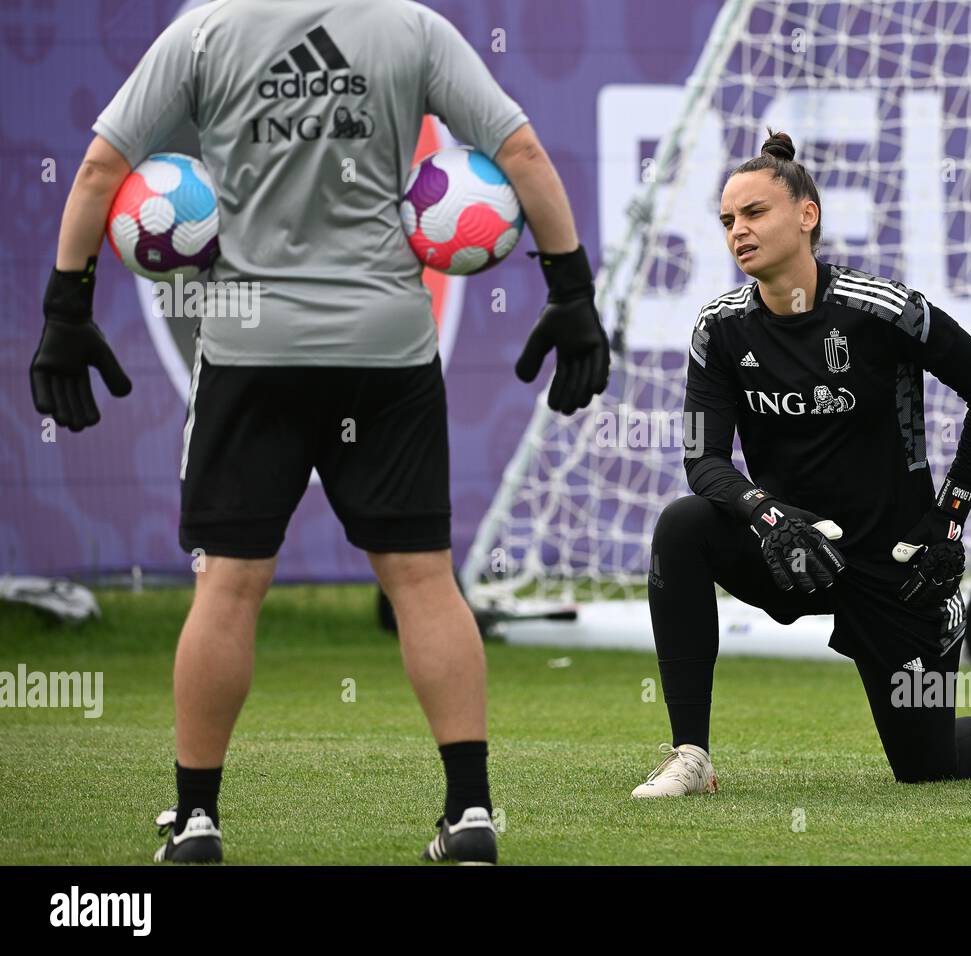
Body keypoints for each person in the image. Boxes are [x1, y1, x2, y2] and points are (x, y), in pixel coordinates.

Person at [29, 0, 609, 864]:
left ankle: (195, 823)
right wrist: (571, 292)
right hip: (386, 349)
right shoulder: (411, 28)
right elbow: (521, 152)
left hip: (250, 348)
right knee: (420, 579)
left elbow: (96, 171)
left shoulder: (205, 31)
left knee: (227, 585)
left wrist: (65, 308)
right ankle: (472, 813)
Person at [633, 130, 971, 797]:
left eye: (754, 213)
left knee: (925, 765)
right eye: (726, 220)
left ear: (807, 216)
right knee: (684, 526)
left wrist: (948, 523)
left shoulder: (882, 310)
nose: (738, 231)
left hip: (894, 564)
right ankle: (691, 755)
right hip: (792, 553)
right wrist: (772, 521)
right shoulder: (718, 329)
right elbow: (704, 464)